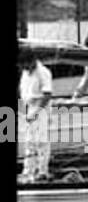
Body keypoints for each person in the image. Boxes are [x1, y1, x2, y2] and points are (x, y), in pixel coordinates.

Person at [19, 53, 54, 182]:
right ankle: (28, 171)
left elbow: (47, 95)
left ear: (32, 61)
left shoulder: (43, 72)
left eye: (25, 65)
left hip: (41, 108)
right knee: (29, 142)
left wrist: (36, 113)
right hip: (29, 107)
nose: (24, 68)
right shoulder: (25, 72)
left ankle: (42, 171)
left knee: (41, 142)